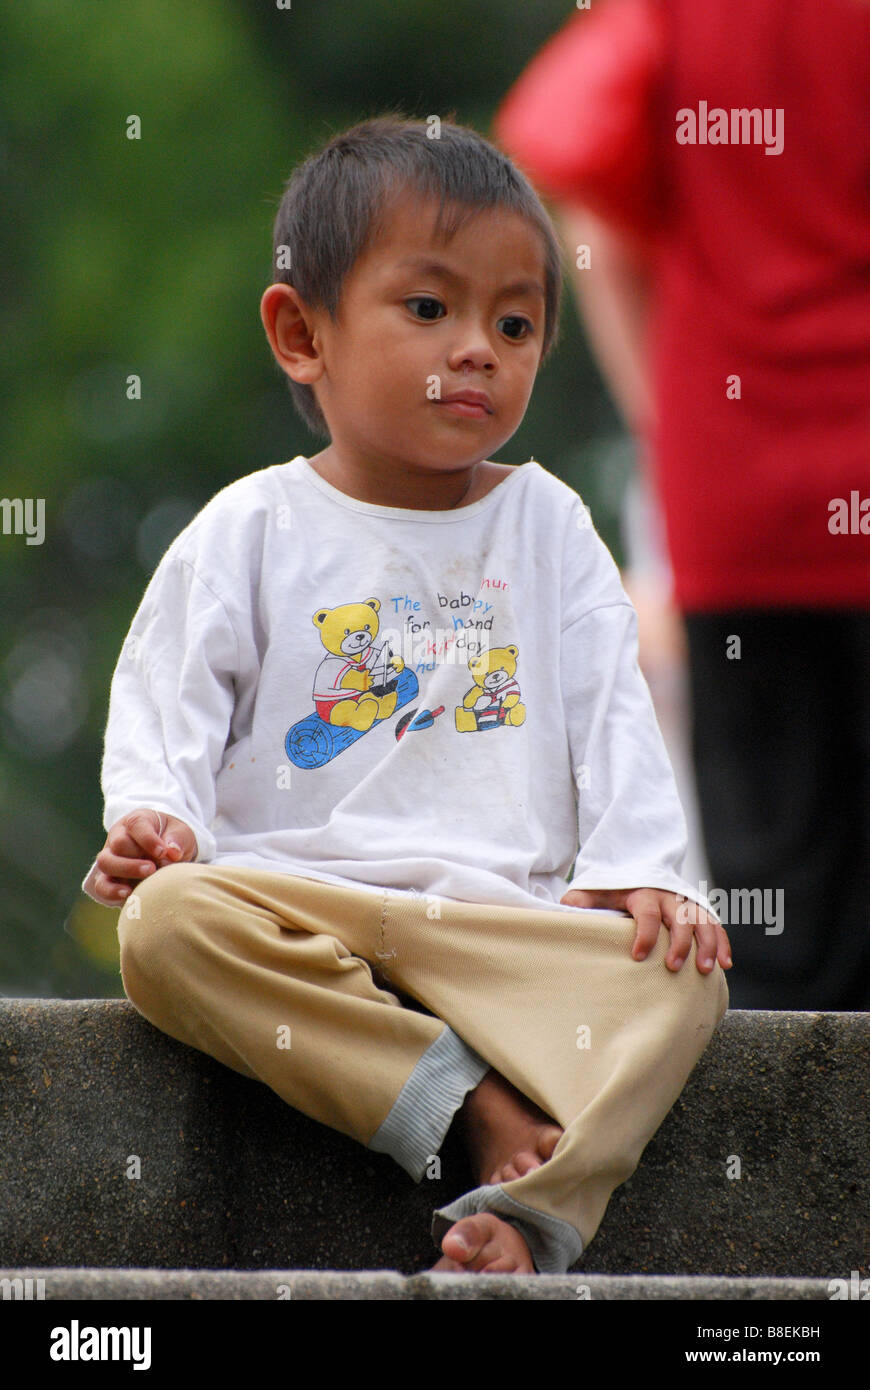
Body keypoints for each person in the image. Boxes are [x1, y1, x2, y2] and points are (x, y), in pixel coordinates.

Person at [81, 116, 730, 1276]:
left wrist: (648, 868)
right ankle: (458, 1097)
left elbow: (612, 708)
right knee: (165, 925)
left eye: (517, 321)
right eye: (430, 309)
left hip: (502, 934)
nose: (478, 347)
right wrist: (157, 819)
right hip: (294, 910)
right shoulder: (252, 526)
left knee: (684, 982)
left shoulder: (548, 523)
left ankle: (541, 1212)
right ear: (300, 332)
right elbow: (166, 700)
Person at [494, 0, 870, 1010]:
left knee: (779, 907)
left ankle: (789, 1161)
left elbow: (581, 187)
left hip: (742, 497)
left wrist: (675, 427)